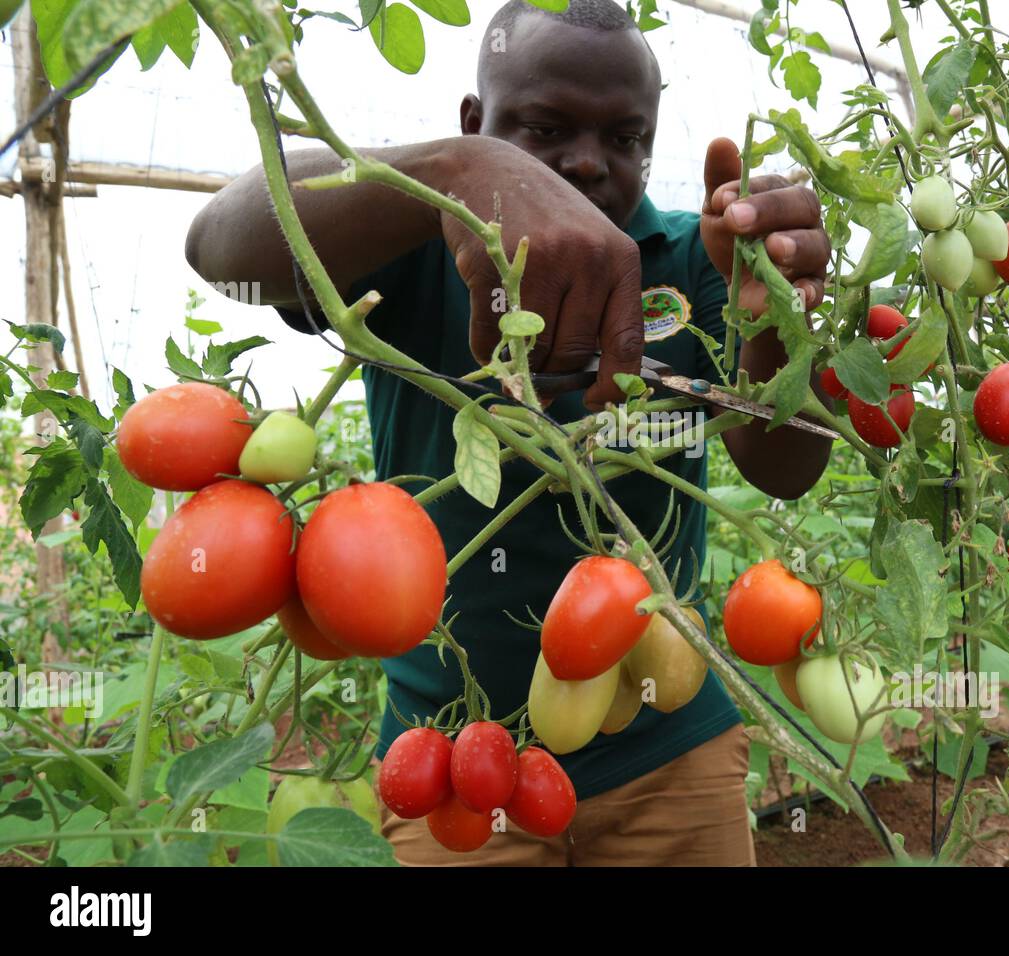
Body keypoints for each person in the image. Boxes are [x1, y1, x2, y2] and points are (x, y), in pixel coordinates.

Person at [186, 0, 832, 866]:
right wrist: (456, 174)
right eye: (543, 127)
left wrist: (772, 315)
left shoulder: (686, 261)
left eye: (627, 137)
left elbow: (786, 466)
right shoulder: (406, 252)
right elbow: (219, 244)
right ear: (473, 120)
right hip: (456, 761)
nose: (589, 163)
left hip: (668, 748)